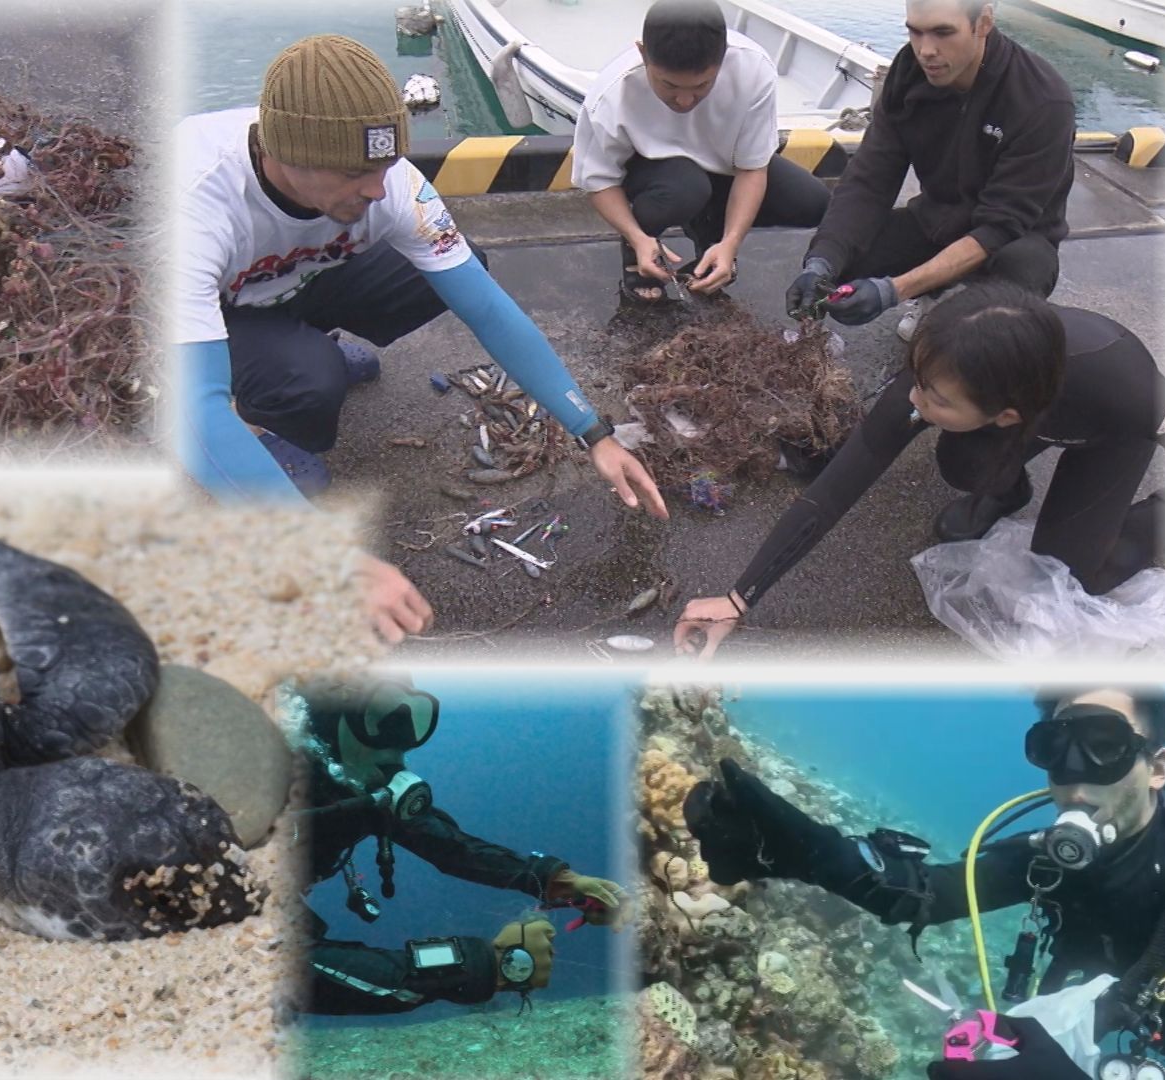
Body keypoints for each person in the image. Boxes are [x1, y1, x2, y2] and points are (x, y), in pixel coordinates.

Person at [174, 35, 668, 643]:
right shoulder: (193, 205)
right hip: (218, 314)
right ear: (285, 154)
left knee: (459, 269)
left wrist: (593, 431)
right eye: (357, 173)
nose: (379, 189)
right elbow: (191, 406)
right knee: (306, 385)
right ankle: (267, 410)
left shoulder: (388, 183)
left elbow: (486, 311)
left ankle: (305, 341)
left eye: (384, 167)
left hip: (292, 273)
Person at [683, 687, 1165, 1076]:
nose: (1075, 776)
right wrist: (802, 852)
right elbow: (931, 893)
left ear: (1157, 768)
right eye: (1056, 748)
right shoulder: (1049, 858)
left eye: (1104, 746)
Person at [673, 283, 1165, 659]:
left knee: (1068, 581)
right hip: (1013, 415)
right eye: (917, 380)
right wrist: (740, 597)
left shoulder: (1126, 386)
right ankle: (1004, 492)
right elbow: (832, 492)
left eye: (933, 398)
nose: (913, 401)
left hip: (1106, 435)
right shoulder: (940, 372)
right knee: (962, 463)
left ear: (1005, 416)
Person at [289, 677, 626, 1014]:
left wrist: (555, 881)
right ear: (325, 717)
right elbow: (258, 965)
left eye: (413, 721)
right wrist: (484, 966)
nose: (400, 744)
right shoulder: (251, 797)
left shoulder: (353, 786)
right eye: (378, 718)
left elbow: (450, 847)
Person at [784, 0, 1075, 341]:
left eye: (942, 32)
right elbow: (869, 180)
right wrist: (821, 262)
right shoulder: (908, 70)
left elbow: (999, 228)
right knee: (839, 259)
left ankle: (954, 306)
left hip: (1016, 240)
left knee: (1006, 306)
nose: (926, 51)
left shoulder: (1042, 100)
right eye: (915, 31)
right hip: (936, 219)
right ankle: (936, 293)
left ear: (983, 23)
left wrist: (894, 290)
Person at [573, 0, 830, 304]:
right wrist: (636, 235)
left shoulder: (753, 70)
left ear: (724, 57)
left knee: (814, 202)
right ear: (643, 54)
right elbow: (599, 181)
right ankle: (640, 251)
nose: (684, 100)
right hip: (651, 170)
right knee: (684, 188)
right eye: (669, 85)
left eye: (701, 86)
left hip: (723, 164)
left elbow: (752, 168)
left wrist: (731, 242)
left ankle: (710, 235)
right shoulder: (610, 94)